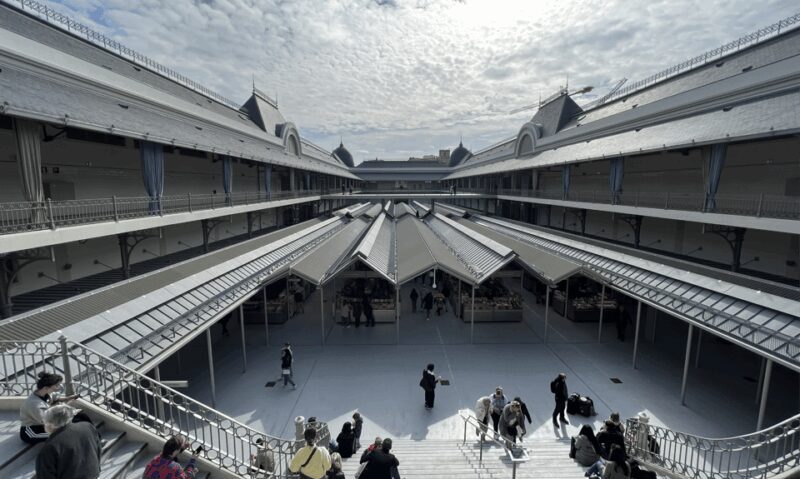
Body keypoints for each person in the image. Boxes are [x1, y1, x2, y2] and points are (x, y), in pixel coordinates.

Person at [35, 405, 101, 479]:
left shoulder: (49, 448)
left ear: (50, 425)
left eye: (44, 422)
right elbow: (97, 450)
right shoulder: (88, 426)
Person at [20, 372, 80, 444]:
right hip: (32, 431)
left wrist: (70, 397)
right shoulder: (35, 405)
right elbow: (49, 421)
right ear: (46, 388)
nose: (59, 387)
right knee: (61, 434)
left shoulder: (46, 393)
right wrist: (67, 407)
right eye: (56, 385)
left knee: (73, 422)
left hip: (43, 423)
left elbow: (56, 398)